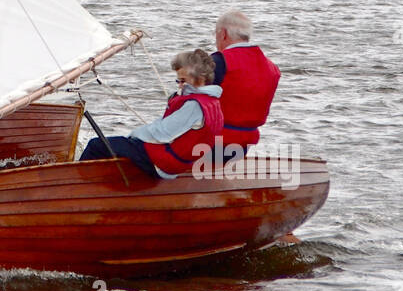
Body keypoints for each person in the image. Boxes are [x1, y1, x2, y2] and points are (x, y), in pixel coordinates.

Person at [79, 48, 224, 178]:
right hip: (182, 162)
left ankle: (76, 185)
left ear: (199, 79)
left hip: (165, 163)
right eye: (178, 81)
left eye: (183, 81)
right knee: (117, 147)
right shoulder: (213, 102)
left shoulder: (194, 106)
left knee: (96, 145)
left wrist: (133, 136)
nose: (179, 86)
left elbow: (162, 133)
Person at [210, 10, 280, 157]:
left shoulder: (219, 62)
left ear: (223, 33)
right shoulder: (272, 68)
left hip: (211, 143)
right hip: (244, 143)